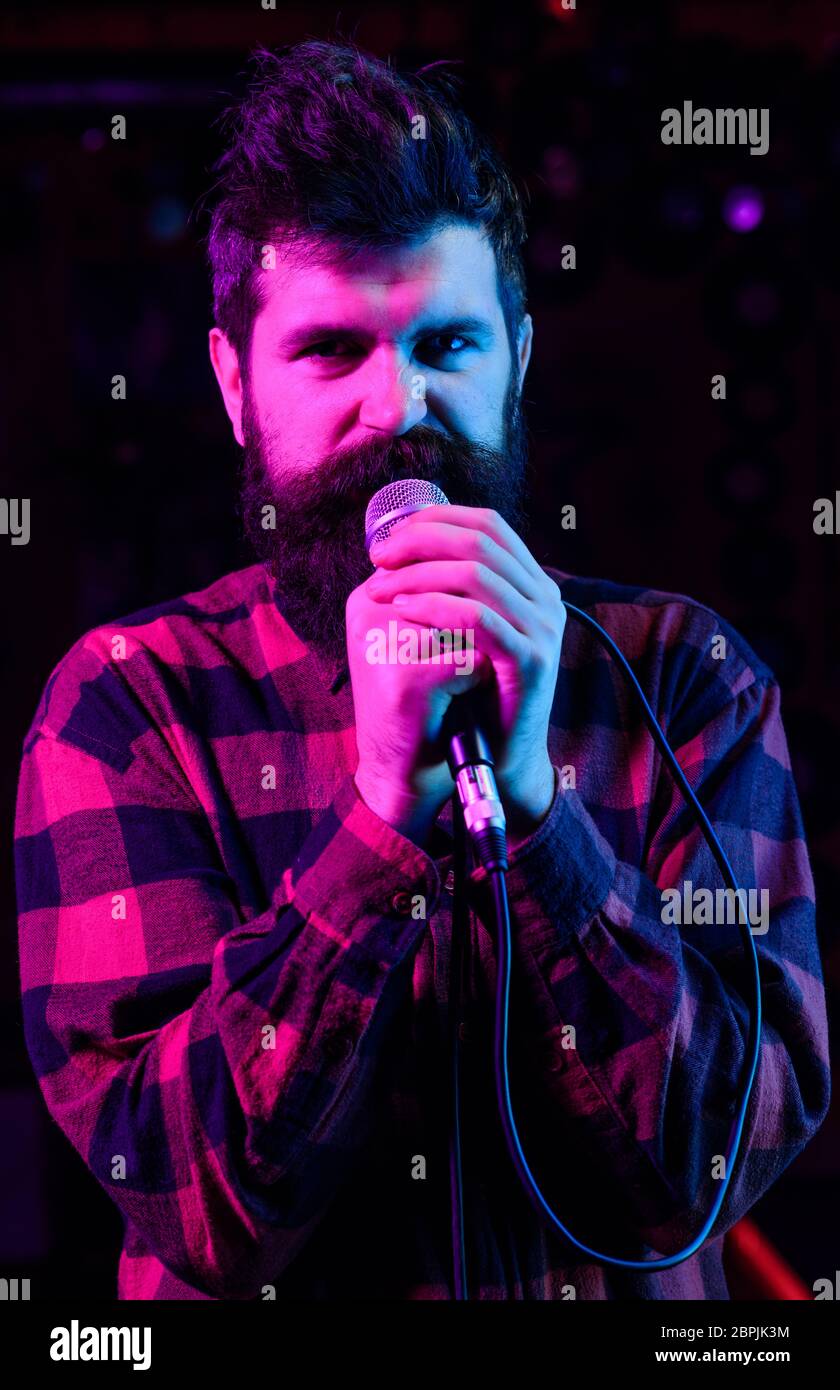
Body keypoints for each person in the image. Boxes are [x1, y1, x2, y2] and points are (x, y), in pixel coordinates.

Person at [14, 38, 829, 1300]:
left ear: (520, 360)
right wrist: (382, 817)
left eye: (448, 346)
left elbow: (718, 1163)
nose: (396, 409)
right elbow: (196, 1196)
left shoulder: (687, 678)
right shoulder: (127, 706)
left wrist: (539, 813)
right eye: (331, 352)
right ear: (236, 388)